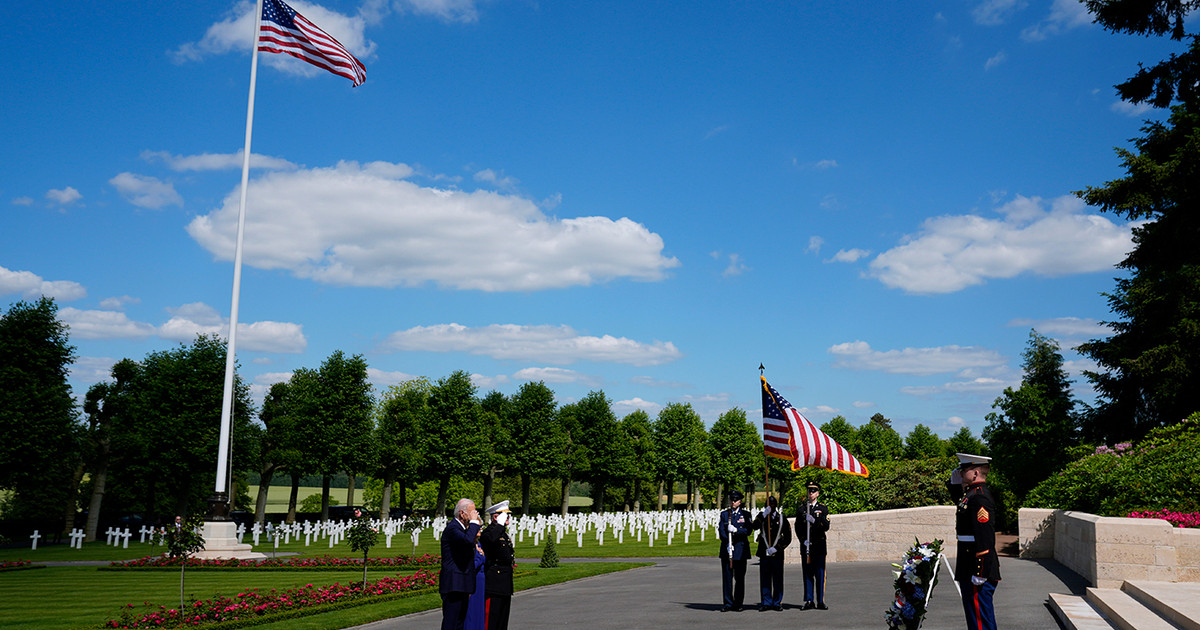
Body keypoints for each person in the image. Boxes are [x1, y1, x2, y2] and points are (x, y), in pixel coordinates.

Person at [952, 453, 1001, 630]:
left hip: (976, 565)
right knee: (975, 618)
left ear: (975, 472)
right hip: (968, 564)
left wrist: (980, 570)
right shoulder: (970, 494)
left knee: (981, 620)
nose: (960, 472)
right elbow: (959, 502)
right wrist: (953, 482)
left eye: (963, 469)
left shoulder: (980, 497)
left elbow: (985, 536)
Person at [440, 498, 482, 630]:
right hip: (454, 584)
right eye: (472, 512)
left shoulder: (462, 528)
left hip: (462, 583)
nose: (475, 515)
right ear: (462, 513)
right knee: (451, 623)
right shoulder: (453, 528)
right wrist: (475, 523)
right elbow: (467, 541)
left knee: (459, 623)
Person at [752, 494, 792, 611]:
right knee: (765, 579)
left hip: (777, 553)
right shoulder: (762, 517)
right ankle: (766, 602)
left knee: (778, 578)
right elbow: (754, 526)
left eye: (773, 504)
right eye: (769, 505)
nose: (771, 506)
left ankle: (777, 602)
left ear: (776, 506)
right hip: (764, 553)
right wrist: (763, 514)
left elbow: (788, 537)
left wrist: (777, 548)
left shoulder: (781, 518)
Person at [480, 500, 515, 630]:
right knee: (492, 619)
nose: (508, 518)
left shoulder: (501, 533)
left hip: (504, 582)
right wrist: (499, 524)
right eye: (506, 515)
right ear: (496, 516)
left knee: (502, 619)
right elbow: (489, 541)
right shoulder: (489, 532)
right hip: (494, 582)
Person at [718, 489, 753, 611]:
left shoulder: (746, 515)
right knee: (727, 578)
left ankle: (738, 603)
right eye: (731, 500)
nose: (733, 502)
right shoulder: (724, 514)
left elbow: (748, 530)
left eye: (736, 500)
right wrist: (727, 542)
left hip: (740, 550)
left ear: (740, 501)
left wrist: (736, 531)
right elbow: (721, 530)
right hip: (727, 549)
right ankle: (727, 603)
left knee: (739, 579)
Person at [798, 479, 830, 610]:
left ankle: (820, 601)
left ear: (817, 493)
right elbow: (798, 527)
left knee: (820, 574)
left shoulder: (822, 508)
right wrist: (802, 540)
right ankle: (809, 600)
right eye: (809, 490)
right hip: (806, 546)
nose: (811, 493)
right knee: (807, 574)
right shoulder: (802, 509)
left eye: (813, 490)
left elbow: (826, 526)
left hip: (819, 546)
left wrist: (815, 521)